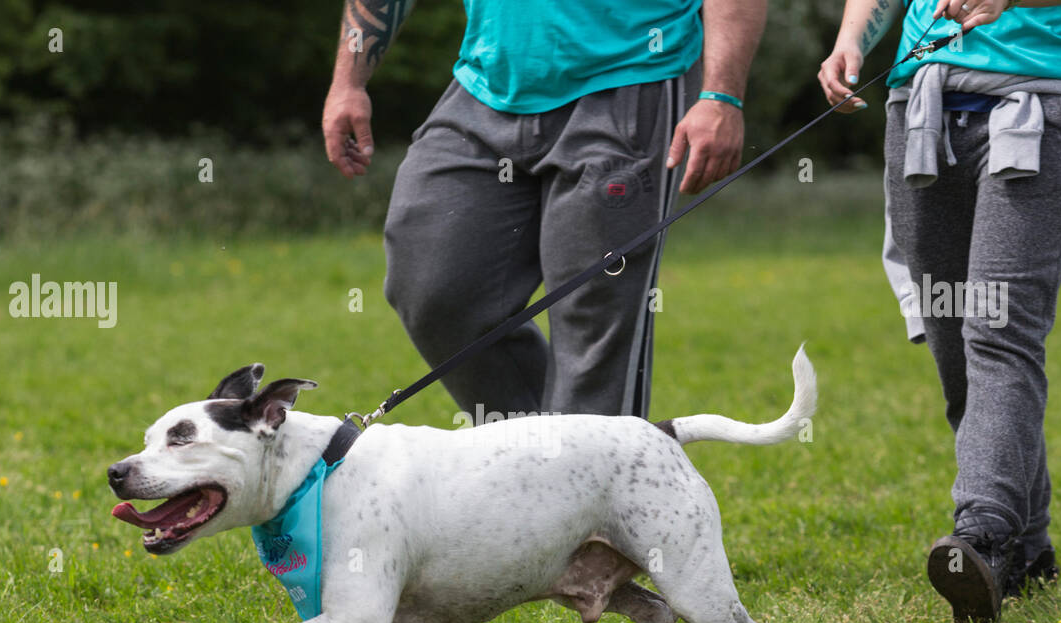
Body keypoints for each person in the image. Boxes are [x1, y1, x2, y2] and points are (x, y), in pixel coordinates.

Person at [817, 0, 1061, 623]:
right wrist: (851, 39)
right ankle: (1027, 550)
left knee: (997, 330)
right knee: (951, 337)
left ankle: (980, 534)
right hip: (921, 104)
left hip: (1046, 100)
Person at [323, 0, 767, 418]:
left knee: (592, 333)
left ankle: (591, 484)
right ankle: (536, 458)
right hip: (486, 81)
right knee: (433, 288)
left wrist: (721, 95)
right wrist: (349, 82)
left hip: (631, 76)